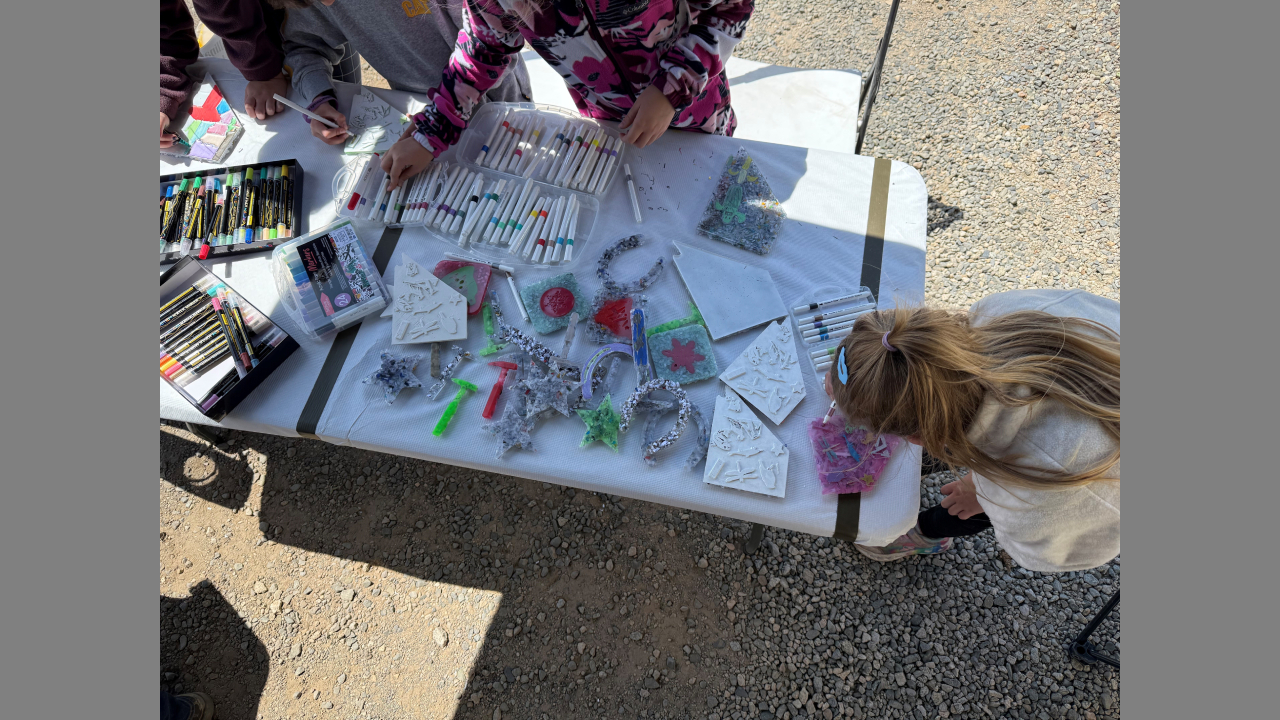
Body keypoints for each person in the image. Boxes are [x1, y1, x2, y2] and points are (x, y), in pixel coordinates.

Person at [825, 289, 1120, 572]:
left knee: (966, 507)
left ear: (918, 438)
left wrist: (985, 494)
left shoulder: (1026, 495)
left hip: (1083, 484)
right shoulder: (998, 310)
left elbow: (1054, 552)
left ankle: (927, 534)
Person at [380, 0, 754, 188]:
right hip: (608, 125)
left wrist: (671, 88)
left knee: (711, 202)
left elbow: (731, 7)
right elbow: (481, 50)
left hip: (699, 117)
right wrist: (431, 135)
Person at [271, 0, 530, 148]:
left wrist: (433, 130)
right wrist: (319, 96)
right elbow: (303, 46)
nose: (327, 4)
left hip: (493, 101)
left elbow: (490, 47)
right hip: (416, 112)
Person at [160, 0, 299, 148]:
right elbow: (163, 23)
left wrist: (264, 70)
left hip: (284, 28)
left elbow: (223, 8)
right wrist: (164, 92)